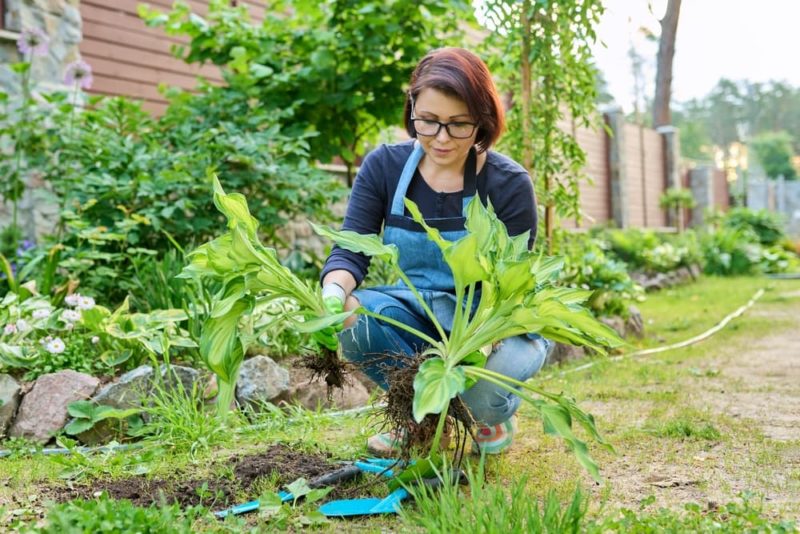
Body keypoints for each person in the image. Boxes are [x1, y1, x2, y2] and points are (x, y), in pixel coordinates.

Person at [318, 47, 552, 457]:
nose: (441, 139)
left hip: (490, 327)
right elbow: (351, 249)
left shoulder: (508, 183)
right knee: (354, 316)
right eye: (427, 122)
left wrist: (474, 347)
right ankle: (420, 416)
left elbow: (513, 284)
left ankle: (489, 415)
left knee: (479, 399)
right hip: (417, 312)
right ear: (411, 110)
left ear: (482, 118)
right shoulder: (384, 168)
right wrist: (332, 294)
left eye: (458, 125)